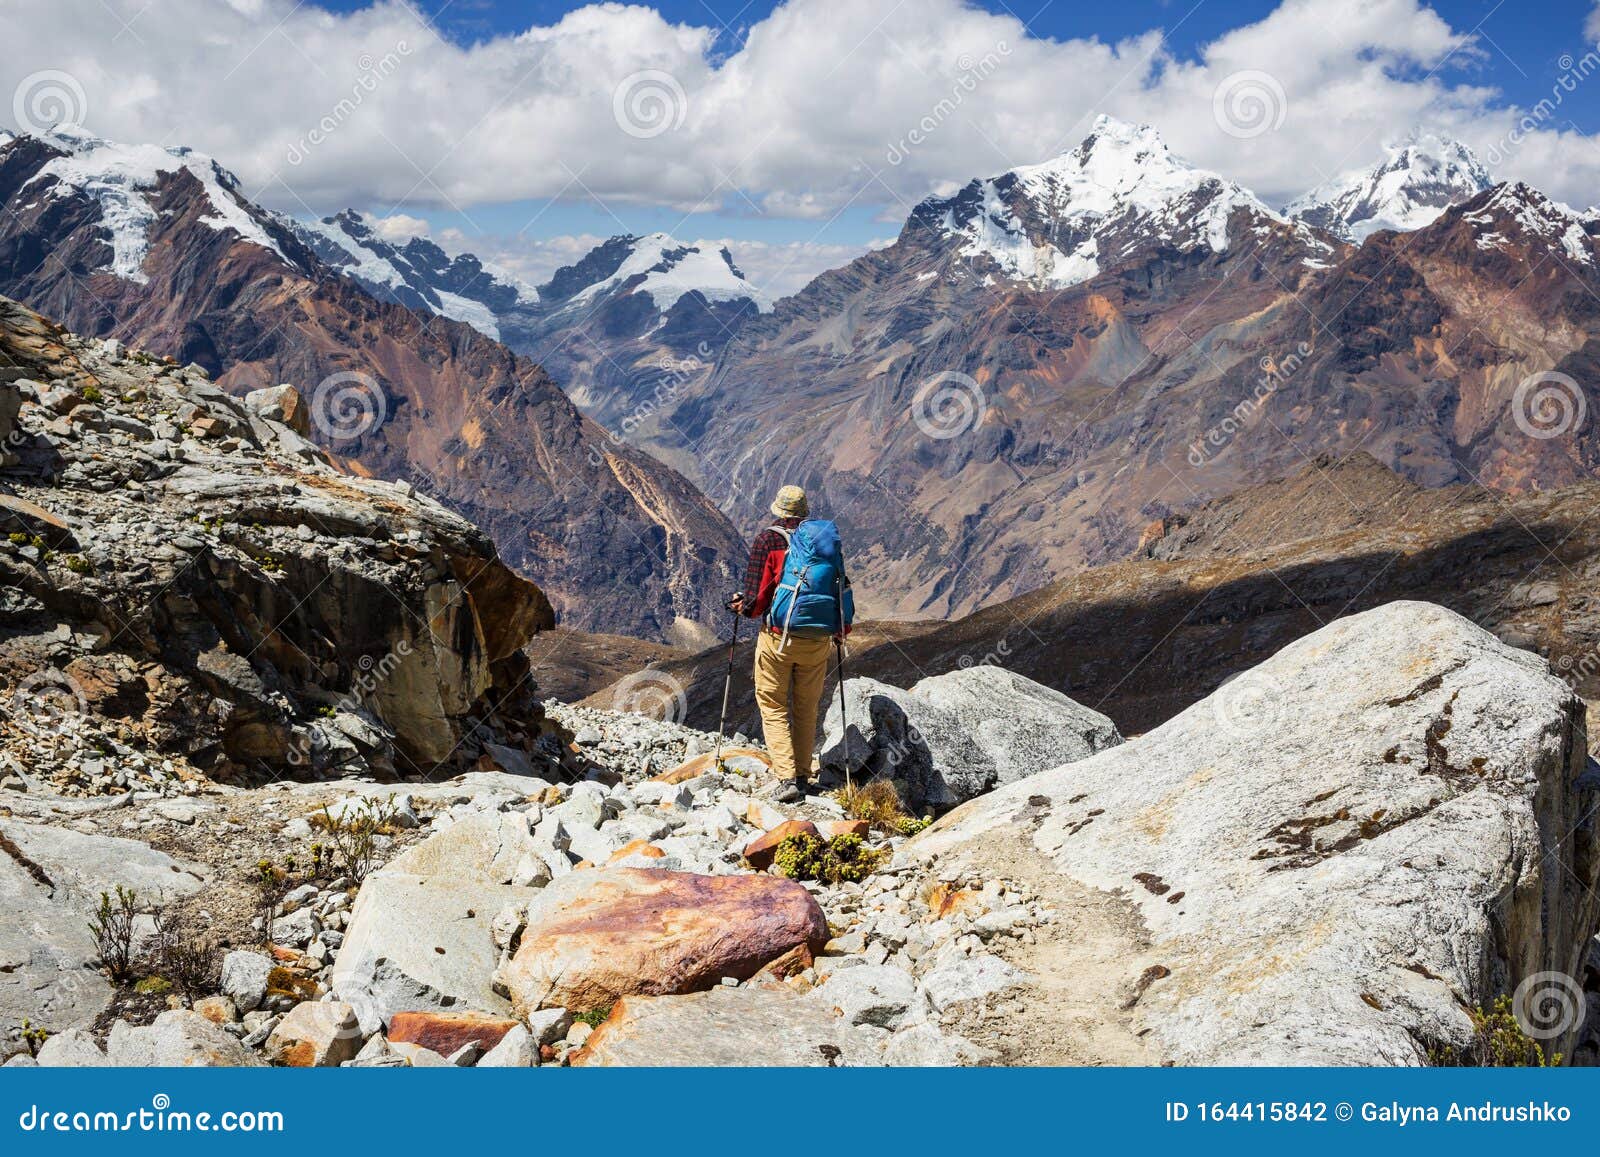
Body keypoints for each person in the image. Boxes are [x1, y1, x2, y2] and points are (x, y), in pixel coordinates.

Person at [729, 484, 854, 803]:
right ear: (803, 513)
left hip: (777, 638)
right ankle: (803, 771)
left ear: (778, 511)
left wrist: (740, 606)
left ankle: (786, 778)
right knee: (806, 706)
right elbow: (840, 585)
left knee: (773, 704)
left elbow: (756, 602)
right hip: (818, 638)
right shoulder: (825, 543)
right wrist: (840, 628)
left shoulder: (768, 540)